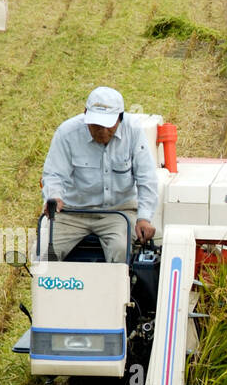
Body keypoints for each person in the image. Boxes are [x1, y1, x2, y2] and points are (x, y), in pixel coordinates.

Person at [40, 86, 158, 263]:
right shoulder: (67, 132)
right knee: (45, 252)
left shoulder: (133, 131)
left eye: (108, 125)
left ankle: (117, 290)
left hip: (118, 212)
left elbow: (146, 178)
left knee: (121, 249)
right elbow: (53, 174)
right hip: (73, 213)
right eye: (96, 125)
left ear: (120, 118)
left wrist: (144, 218)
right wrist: (54, 197)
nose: (102, 131)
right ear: (85, 114)